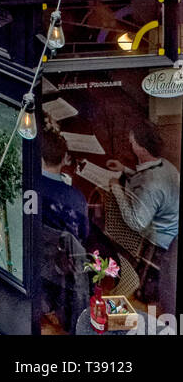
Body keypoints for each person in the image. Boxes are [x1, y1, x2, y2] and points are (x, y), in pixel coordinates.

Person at [107, 118, 179, 309]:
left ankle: (122, 287)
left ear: (141, 150)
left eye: (132, 143)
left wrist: (117, 188)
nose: (130, 145)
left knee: (106, 231)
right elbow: (149, 180)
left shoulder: (151, 184)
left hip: (157, 244)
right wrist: (125, 170)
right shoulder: (166, 166)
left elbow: (136, 223)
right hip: (171, 233)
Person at [40, 126, 90, 243]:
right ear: (64, 159)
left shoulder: (29, 182)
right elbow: (83, 234)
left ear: (40, 158)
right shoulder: (77, 197)